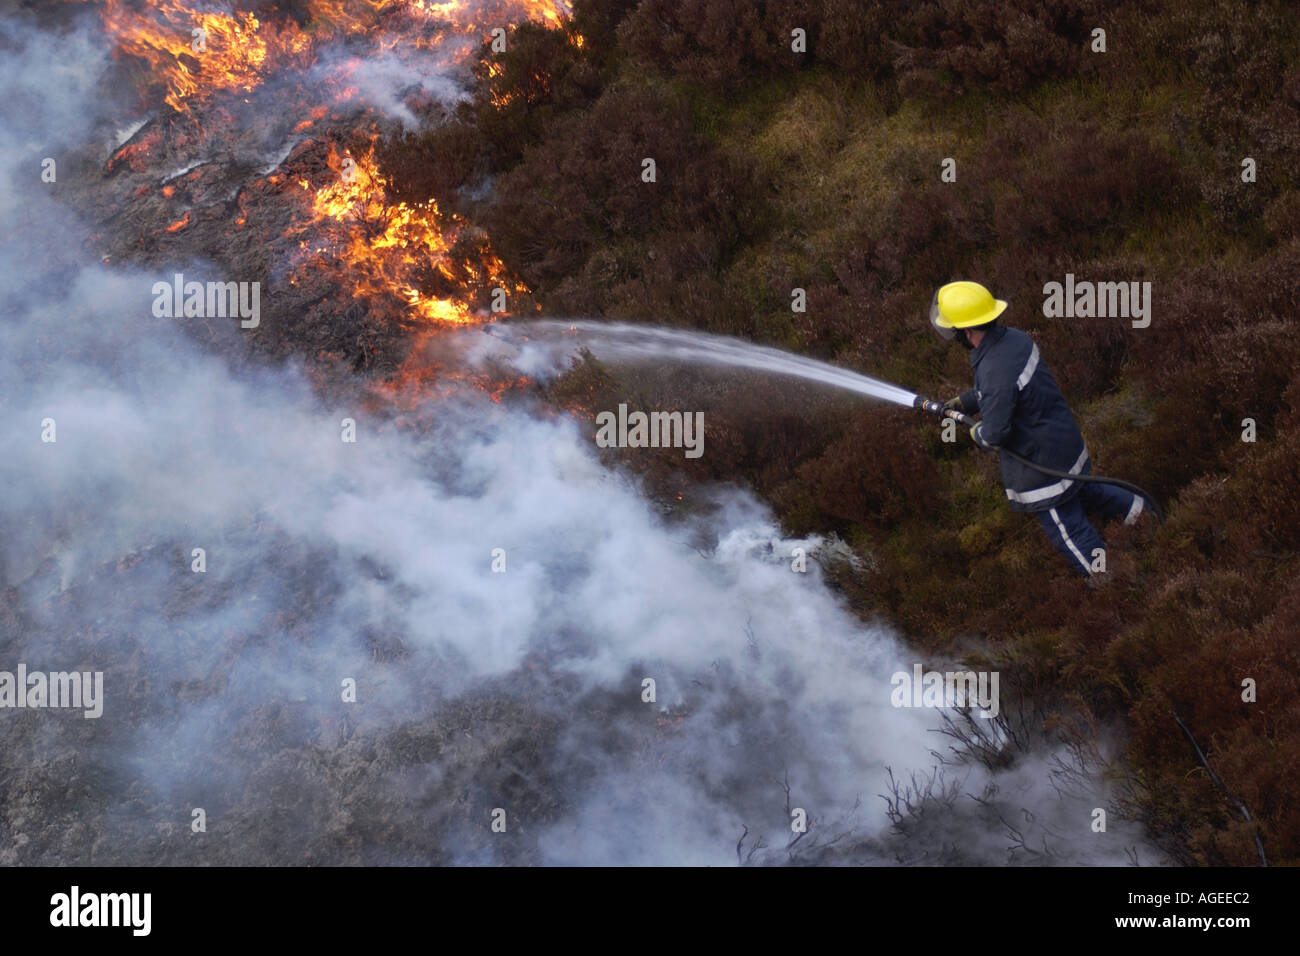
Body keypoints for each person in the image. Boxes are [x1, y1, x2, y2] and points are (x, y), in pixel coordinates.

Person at [930, 281, 1145, 582]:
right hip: (1064, 444)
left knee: (1067, 530)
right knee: (1089, 491)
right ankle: (1144, 516)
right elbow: (1006, 391)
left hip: (1044, 467)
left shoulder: (992, 368)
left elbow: (995, 434)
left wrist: (977, 433)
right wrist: (964, 402)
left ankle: (1113, 581)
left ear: (965, 332)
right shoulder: (1014, 341)